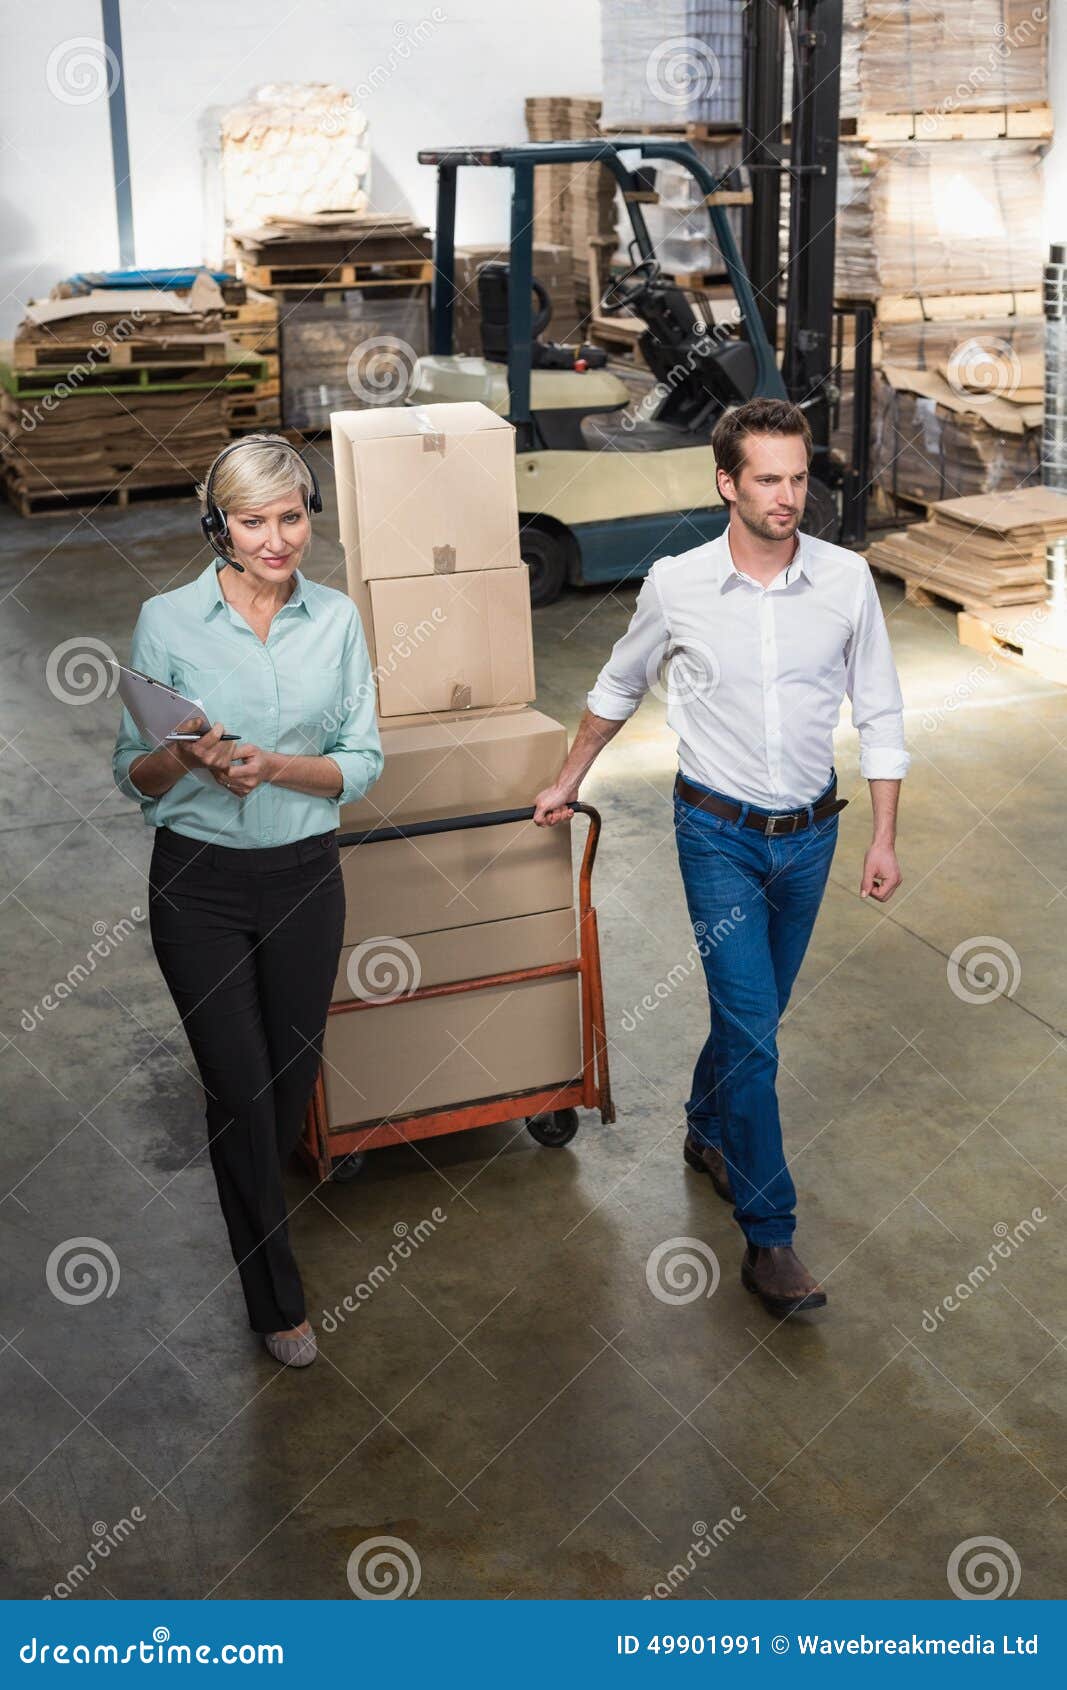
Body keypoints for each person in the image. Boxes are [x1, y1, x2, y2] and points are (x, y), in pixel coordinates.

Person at [533, 397, 909, 1319]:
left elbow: (882, 708)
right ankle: (770, 1236)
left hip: (811, 835)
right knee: (751, 1030)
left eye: (799, 476)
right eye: (769, 479)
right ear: (726, 485)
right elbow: (618, 683)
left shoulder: (846, 580)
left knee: (759, 1017)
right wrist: (567, 776)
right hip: (714, 834)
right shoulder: (678, 585)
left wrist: (885, 834)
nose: (790, 497)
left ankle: (705, 1126)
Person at [112, 434, 383, 1367]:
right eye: (253, 521)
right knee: (238, 1087)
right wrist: (182, 754)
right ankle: (275, 1298)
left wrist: (276, 767)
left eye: (291, 518)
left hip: (305, 880)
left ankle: (256, 1212)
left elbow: (359, 763)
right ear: (217, 525)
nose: (276, 541)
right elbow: (132, 776)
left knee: (287, 1088)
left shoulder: (337, 621)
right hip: (199, 886)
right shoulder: (167, 622)